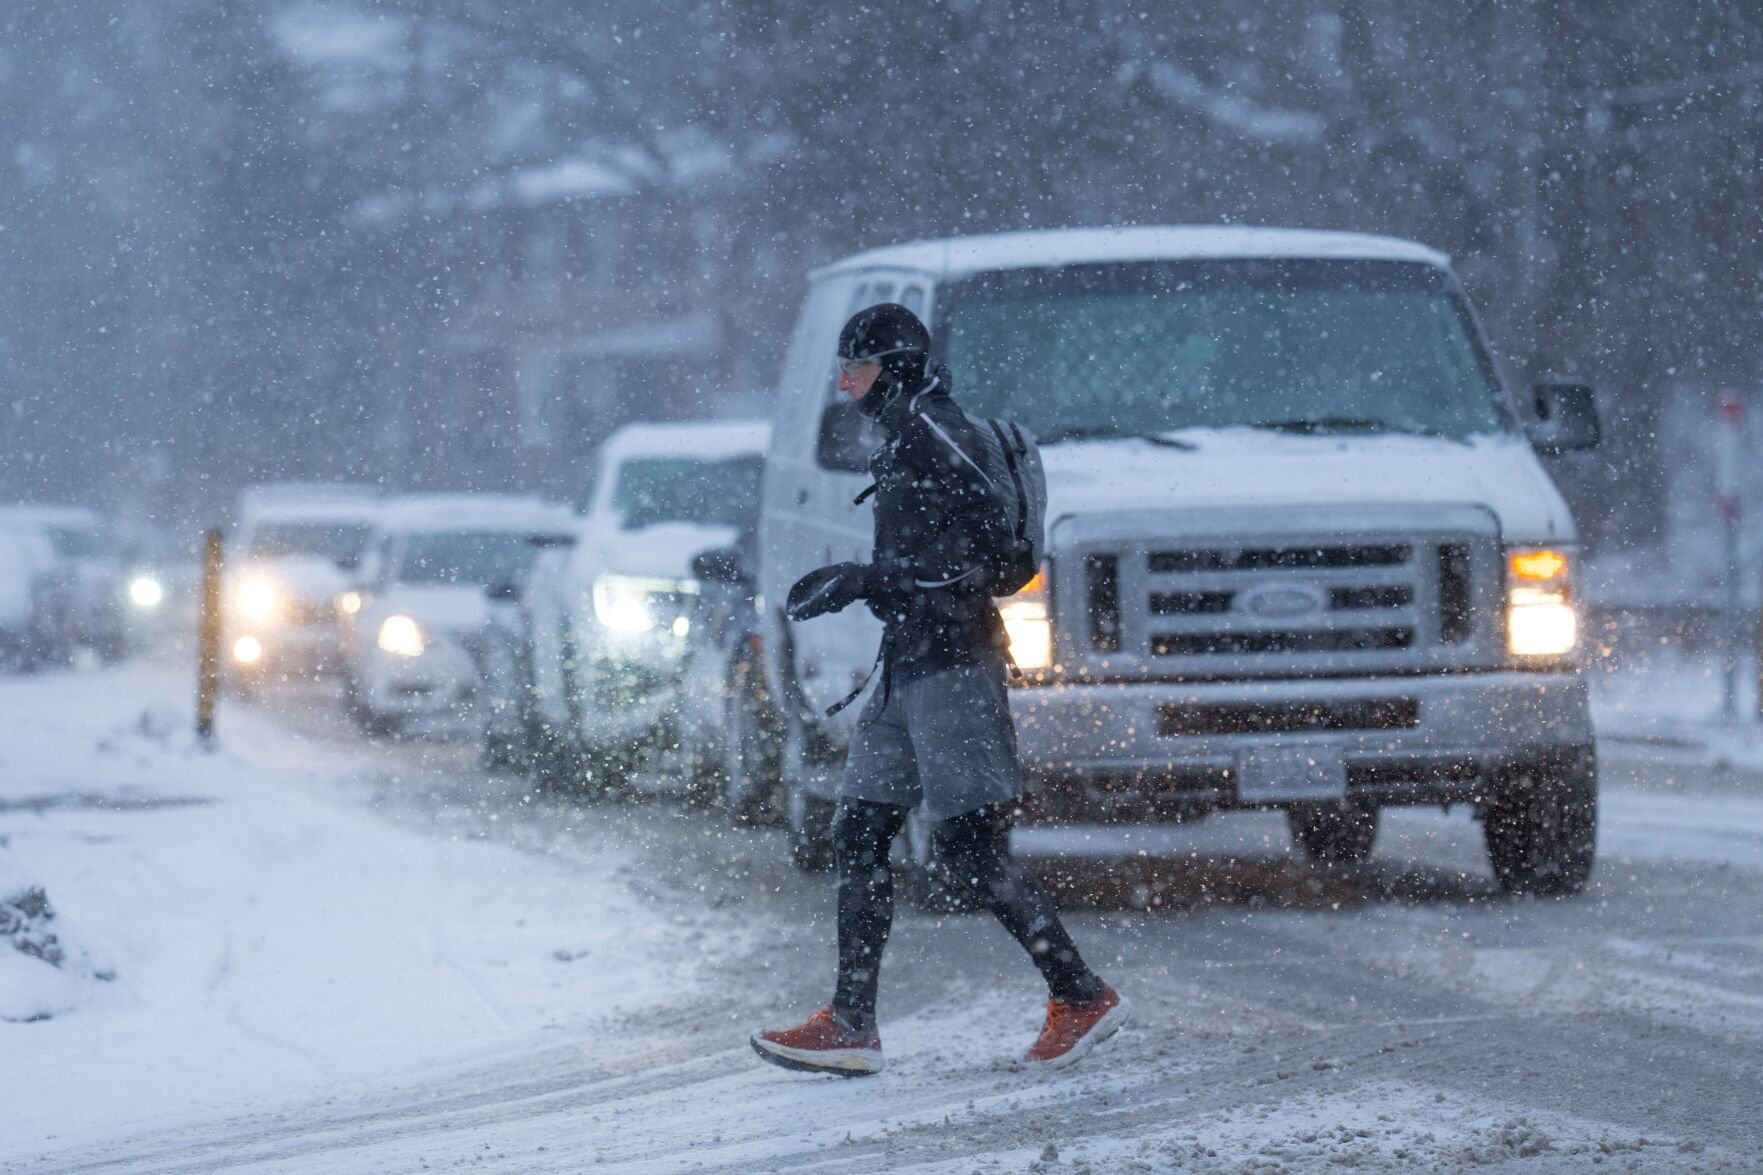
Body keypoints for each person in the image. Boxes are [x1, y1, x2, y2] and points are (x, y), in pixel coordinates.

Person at [751, 303, 1127, 1077]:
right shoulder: (901, 438)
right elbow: (928, 559)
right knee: (858, 832)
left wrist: (868, 579)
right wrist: (869, 583)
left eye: (855, 370)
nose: (845, 388)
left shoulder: (939, 434)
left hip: (956, 667)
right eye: (841, 371)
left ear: (894, 369)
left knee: (967, 846)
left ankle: (1080, 994)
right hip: (904, 668)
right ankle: (851, 1023)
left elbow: (984, 558)